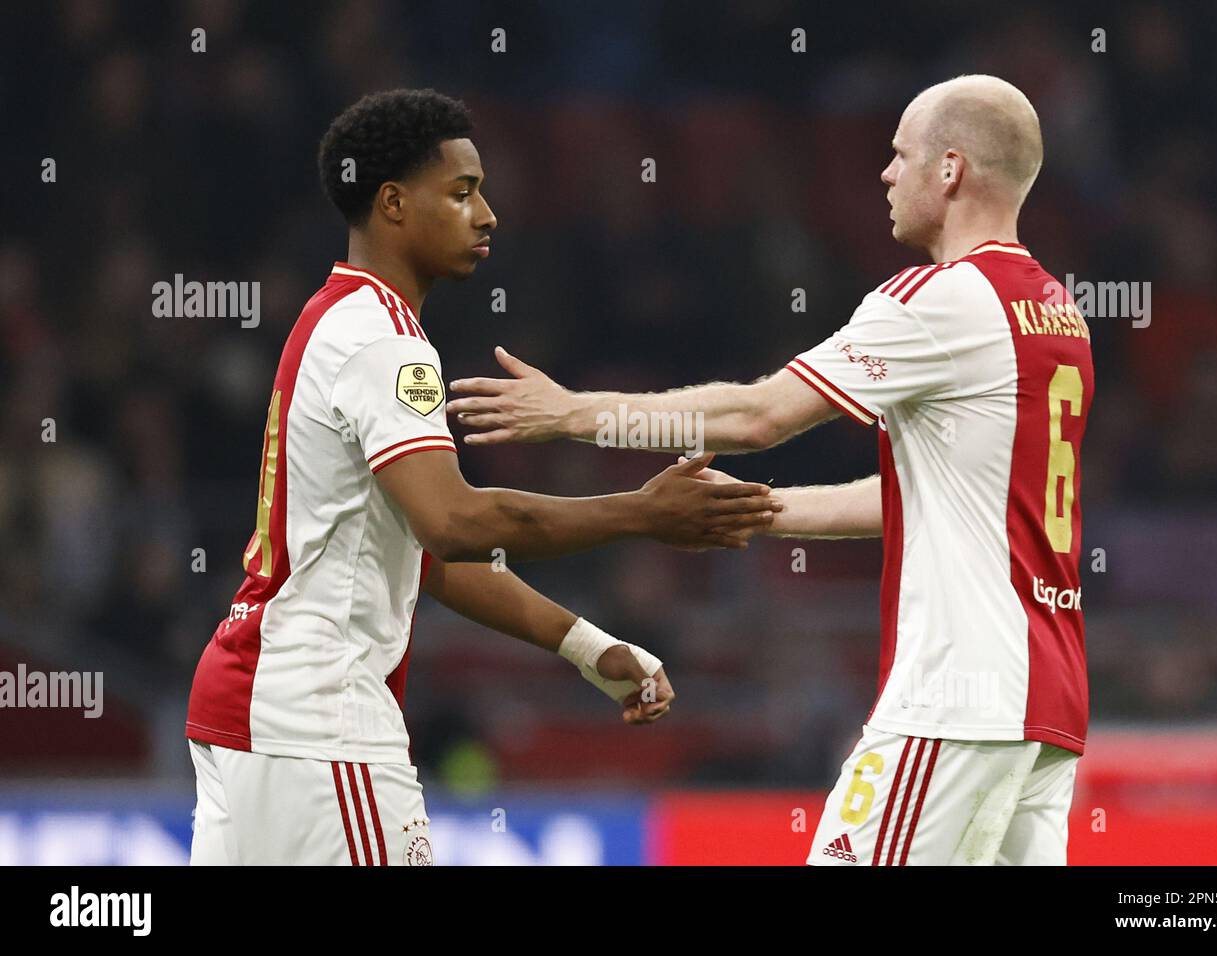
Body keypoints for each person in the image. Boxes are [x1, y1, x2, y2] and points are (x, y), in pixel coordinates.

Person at [447, 75, 1094, 865]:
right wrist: (760, 511)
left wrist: (573, 412)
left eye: (899, 156)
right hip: (1045, 703)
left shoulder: (943, 299)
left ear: (950, 169)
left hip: (954, 696)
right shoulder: (1057, 311)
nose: (885, 175)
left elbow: (760, 416)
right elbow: (923, 501)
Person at [184, 89, 779, 866]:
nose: (488, 213)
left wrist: (586, 645)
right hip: (317, 722)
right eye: (462, 193)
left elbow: (427, 556)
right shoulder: (383, 340)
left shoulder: (333, 318)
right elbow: (455, 524)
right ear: (393, 204)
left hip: (251, 704)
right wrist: (642, 512)